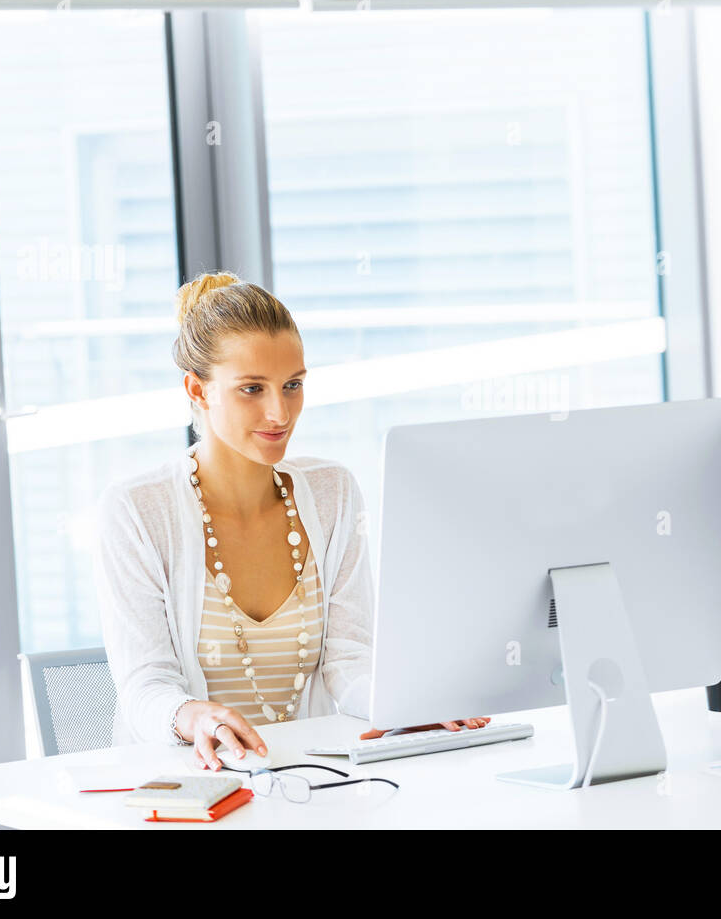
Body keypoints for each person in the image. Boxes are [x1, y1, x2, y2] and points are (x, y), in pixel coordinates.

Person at [95, 271, 487, 770]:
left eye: (292, 385)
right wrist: (194, 717)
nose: (279, 412)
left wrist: (404, 703)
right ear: (197, 389)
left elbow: (347, 662)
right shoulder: (137, 509)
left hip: (308, 779)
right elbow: (145, 686)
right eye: (252, 389)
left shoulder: (332, 492)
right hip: (189, 787)